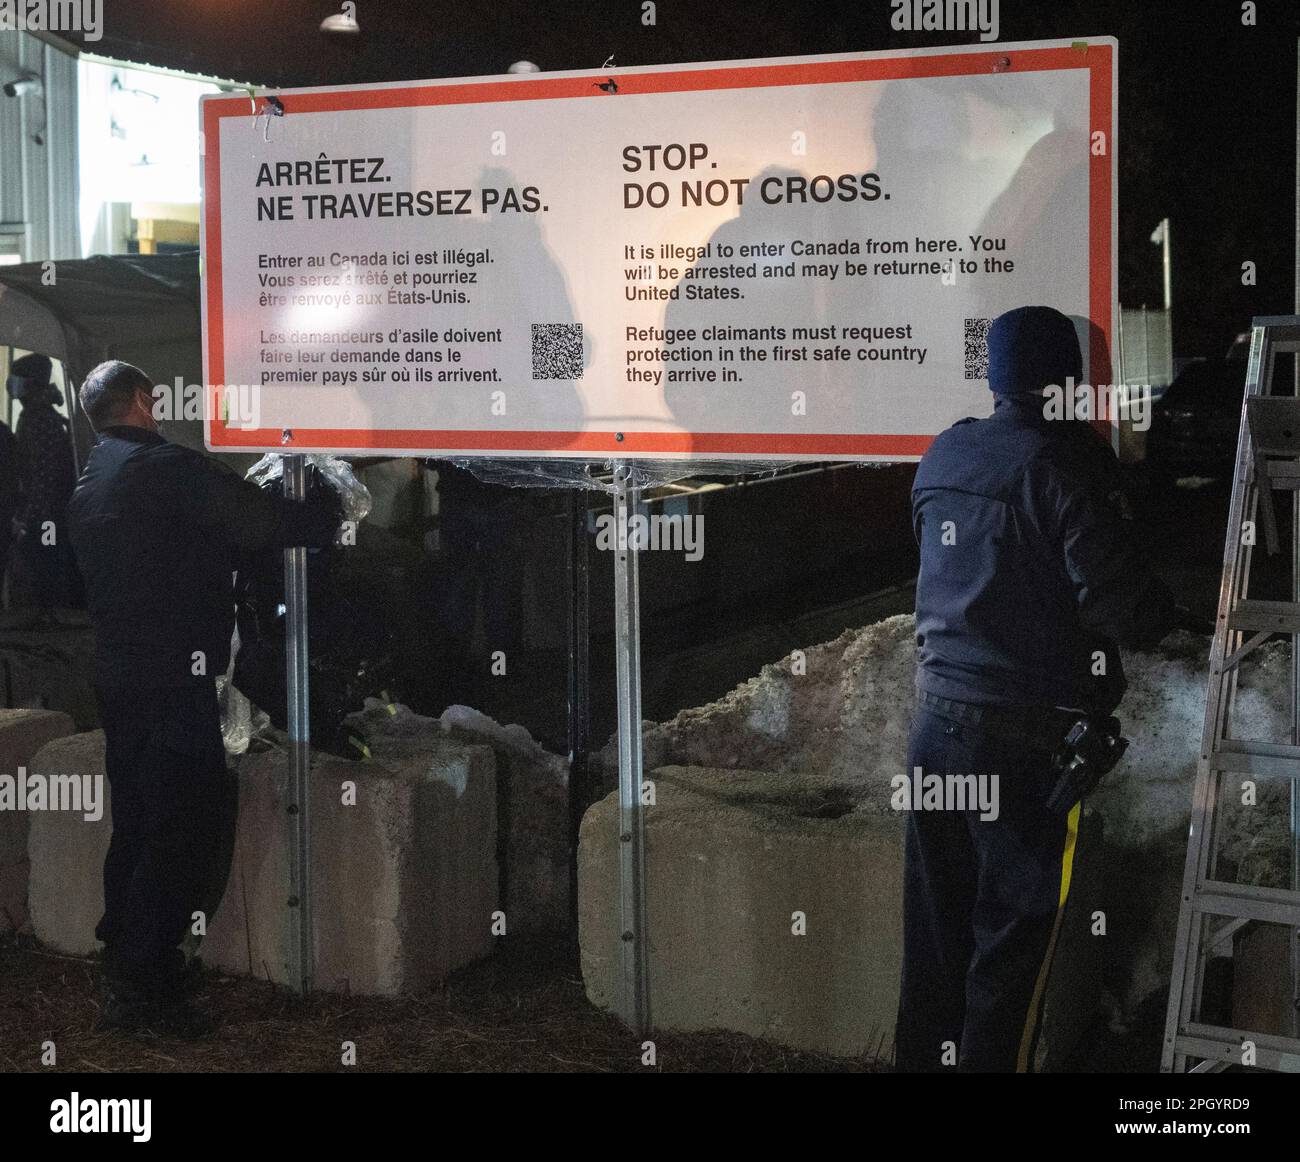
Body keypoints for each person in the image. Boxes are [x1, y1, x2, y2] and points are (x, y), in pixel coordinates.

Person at [896, 306, 1174, 1072]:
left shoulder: (944, 454)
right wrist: (1170, 618)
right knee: (1010, 958)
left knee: (935, 942)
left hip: (935, 735)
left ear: (993, 375)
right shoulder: (1066, 464)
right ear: (1067, 379)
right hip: (1023, 752)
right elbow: (1119, 603)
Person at [67, 360, 339, 1036]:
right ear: (141, 399)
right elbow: (257, 522)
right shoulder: (165, 470)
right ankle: (146, 986)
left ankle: (125, 956)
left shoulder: (88, 482)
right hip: (170, 680)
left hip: (120, 675)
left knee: (136, 819)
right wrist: (324, 506)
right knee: (181, 826)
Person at [7, 353, 79, 614]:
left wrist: (30, 516)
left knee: (44, 556)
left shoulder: (40, 419)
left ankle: (49, 612)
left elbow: (42, 475)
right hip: (42, 508)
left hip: (46, 511)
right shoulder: (36, 414)